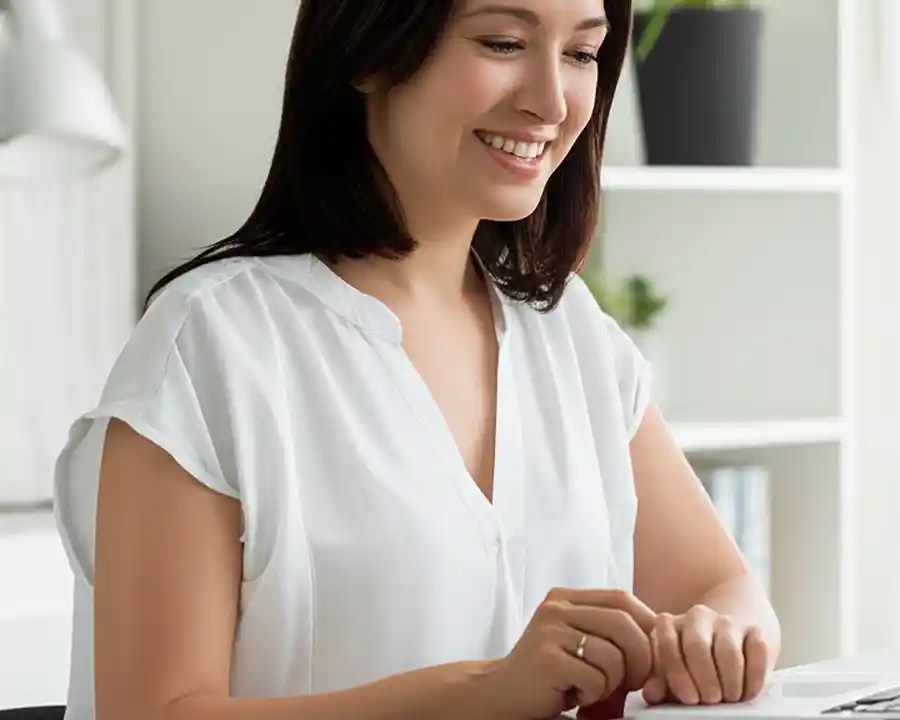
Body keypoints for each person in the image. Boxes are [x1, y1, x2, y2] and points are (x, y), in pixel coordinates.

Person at [50, 1, 780, 718]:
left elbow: (724, 588)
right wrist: (480, 695)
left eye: (581, 54)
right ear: (370, 49)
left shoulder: (570, 332)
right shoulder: (213, 341)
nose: (552, 102)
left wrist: (719, 638)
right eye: (503, 43)